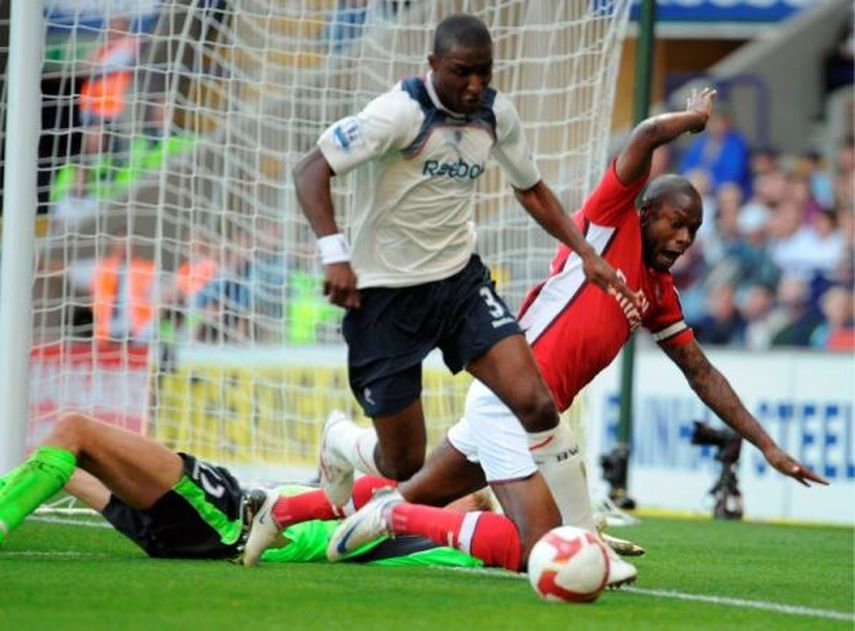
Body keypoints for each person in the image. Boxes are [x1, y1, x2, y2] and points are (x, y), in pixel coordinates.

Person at [247, 87, 828, 579]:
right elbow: (648, 134)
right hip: (513, 399)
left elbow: (702, 372)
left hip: (525, 414)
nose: (683, 238)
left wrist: (768, 445)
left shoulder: (658, 295)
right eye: (676, 222)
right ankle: (400, 518)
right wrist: (693, 121)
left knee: (414, 483)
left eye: (693, 231)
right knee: (536, 547)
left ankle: (291, 506)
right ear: (646, 211)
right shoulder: (608, 223)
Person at [293, 11, 637, 545]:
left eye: (484, 72)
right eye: (462, 72)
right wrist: (334, 254)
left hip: (459, 284)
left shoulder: (496, 114)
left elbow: (531, 188)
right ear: (432, 65)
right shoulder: (396, 113)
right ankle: (340, 440)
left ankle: (584, 538)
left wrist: (585, 252)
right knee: (402, 461)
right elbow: (311, 169)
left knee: (536, 402)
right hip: (384, 295)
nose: (475, 85)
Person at [0, 413, 485, 569]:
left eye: (465, 495)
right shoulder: (394, 509)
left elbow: (475, 546)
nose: (447, 488)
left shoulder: (409, 527)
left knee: (74, 433)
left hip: (229, 520)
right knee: (71, 460)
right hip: (207, 525)